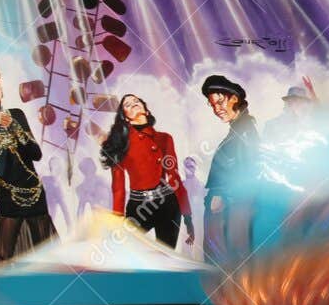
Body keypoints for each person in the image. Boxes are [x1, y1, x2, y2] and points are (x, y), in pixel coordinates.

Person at [0, 63, 56, 268]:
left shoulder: (16, 115)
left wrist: (14, 127)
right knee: (3, 256)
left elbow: (36, 154)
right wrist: (1, 133)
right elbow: (0, 170)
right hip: (10, 197)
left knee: (49, 253)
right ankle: (0, 298)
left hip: (35, 193)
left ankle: (56, 296)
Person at [100, 94, 193, 249]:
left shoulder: (165, 138)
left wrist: (187, 214)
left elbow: (174, 176)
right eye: (128, 104)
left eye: (136, 101)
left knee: (166, 259)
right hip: (138, 207)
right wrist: (117, 218)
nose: (134, 103)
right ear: (125, 118)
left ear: (147, 111)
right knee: (125, 252)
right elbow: (118, 187)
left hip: (168, 205)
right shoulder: (119, 143)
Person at [201, 75, 258, 267]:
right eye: (213, 105)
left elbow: (248, 171)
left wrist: (220, 195)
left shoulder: (245, 130)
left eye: (220, 101)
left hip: (230, 204)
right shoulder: (239, 128)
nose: (217, 109)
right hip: (228, 204)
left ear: (234, 97)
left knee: (227, 257)